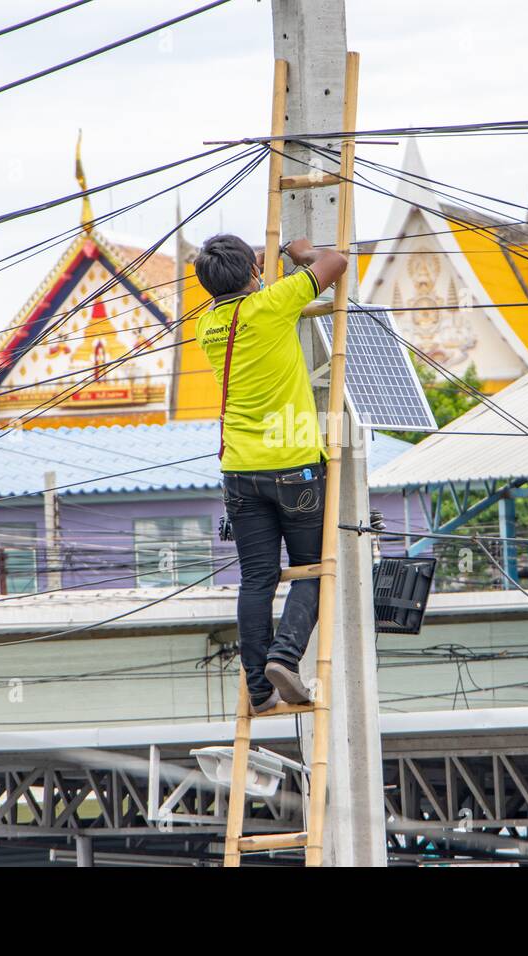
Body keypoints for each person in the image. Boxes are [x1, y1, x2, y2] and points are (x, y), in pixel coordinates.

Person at [193, 234, 348, 715]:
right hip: (294, 466)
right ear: (252, 273)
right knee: (314, 570)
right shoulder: (275, 303)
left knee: (256, 580)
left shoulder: (206, 325)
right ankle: (286, 656)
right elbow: (335, 261)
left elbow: (237, 284)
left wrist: (252, 264)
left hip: (239, 471)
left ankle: (259, 690)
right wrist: (299, 251)